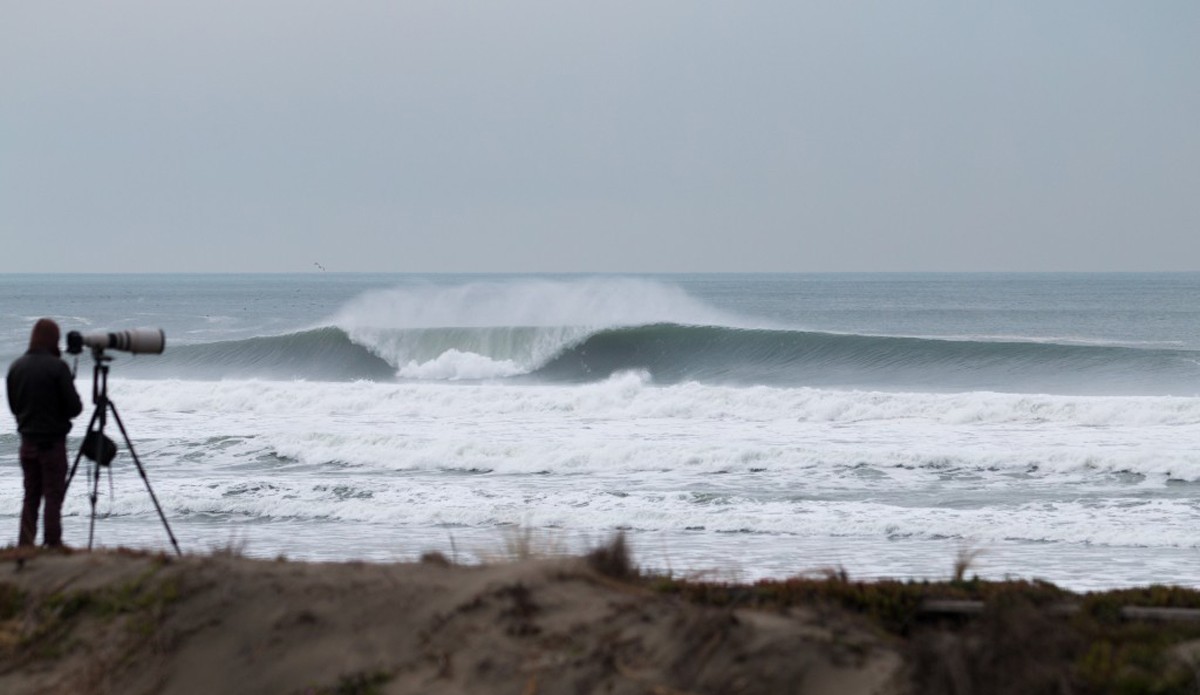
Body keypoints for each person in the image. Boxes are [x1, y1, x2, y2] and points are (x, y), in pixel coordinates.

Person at [6, 318, 83, 549]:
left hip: (27, 444)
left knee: (30, 497)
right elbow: (74, 408)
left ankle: (25, 545)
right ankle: (53, 543)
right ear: (54, 340)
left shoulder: (16, 367)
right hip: (51, 445)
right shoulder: (57, 368)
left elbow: (14, 407)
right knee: (52, 496)